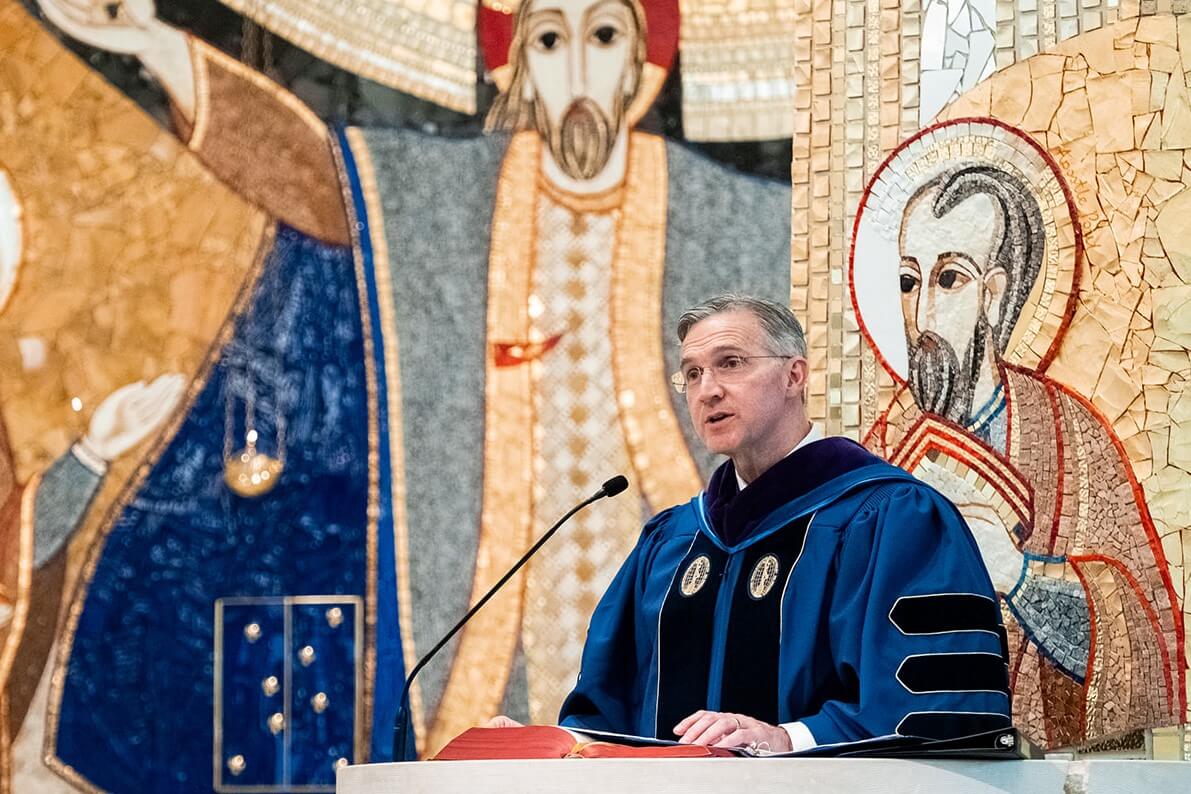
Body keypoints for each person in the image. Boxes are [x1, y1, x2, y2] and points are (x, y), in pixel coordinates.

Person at [35, 0, 790, 754]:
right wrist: (155, 45)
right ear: (517, 66)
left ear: (641, 63)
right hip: (498, 568)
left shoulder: (723, 206)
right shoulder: (449, 191)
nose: (581, 70)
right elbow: (313, 172)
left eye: (604, 36)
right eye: (551, 40)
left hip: (664, 560)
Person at [489, 295, 1012, 750]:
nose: (707, 390)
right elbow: (610, 712)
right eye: (692, 374)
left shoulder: (891, 519)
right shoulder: (672, 542)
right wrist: (554, 745)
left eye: (730, 363)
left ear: (795, 375)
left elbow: (942, 708)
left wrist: (788, 739)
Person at [864, 163, 1185, 746]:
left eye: (950, 279)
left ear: (996, 292)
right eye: (909, 282)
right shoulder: (876, 454)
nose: (923, 315)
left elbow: (1142, 643)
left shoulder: (1073, 440)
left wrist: (1018, 575)